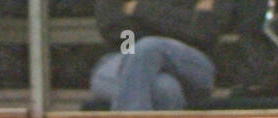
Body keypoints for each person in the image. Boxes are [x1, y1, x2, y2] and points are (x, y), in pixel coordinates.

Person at [90, 0, 236, 110]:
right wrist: (179, 24)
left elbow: (204, 32)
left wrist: (140, 8)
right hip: (125, 51)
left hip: (192, 61)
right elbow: (115, 31)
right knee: (165, 89)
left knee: (149, 46)